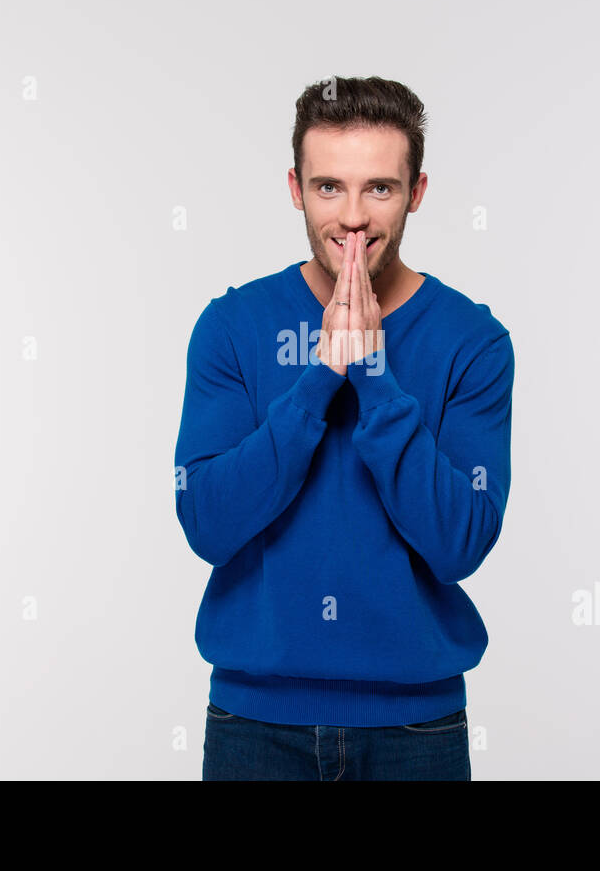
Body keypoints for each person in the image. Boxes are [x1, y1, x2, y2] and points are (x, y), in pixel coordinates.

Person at [174, 75, 514, 780]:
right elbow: (208, 523)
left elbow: (460, 544)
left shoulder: (473, 341)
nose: (353, 217)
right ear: (296, 189)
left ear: (416, 192)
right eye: (330, 188)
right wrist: (320, 377)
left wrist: (373, 377)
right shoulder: (232, 327)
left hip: (415, 728)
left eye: (379, 189)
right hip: (255, 725)